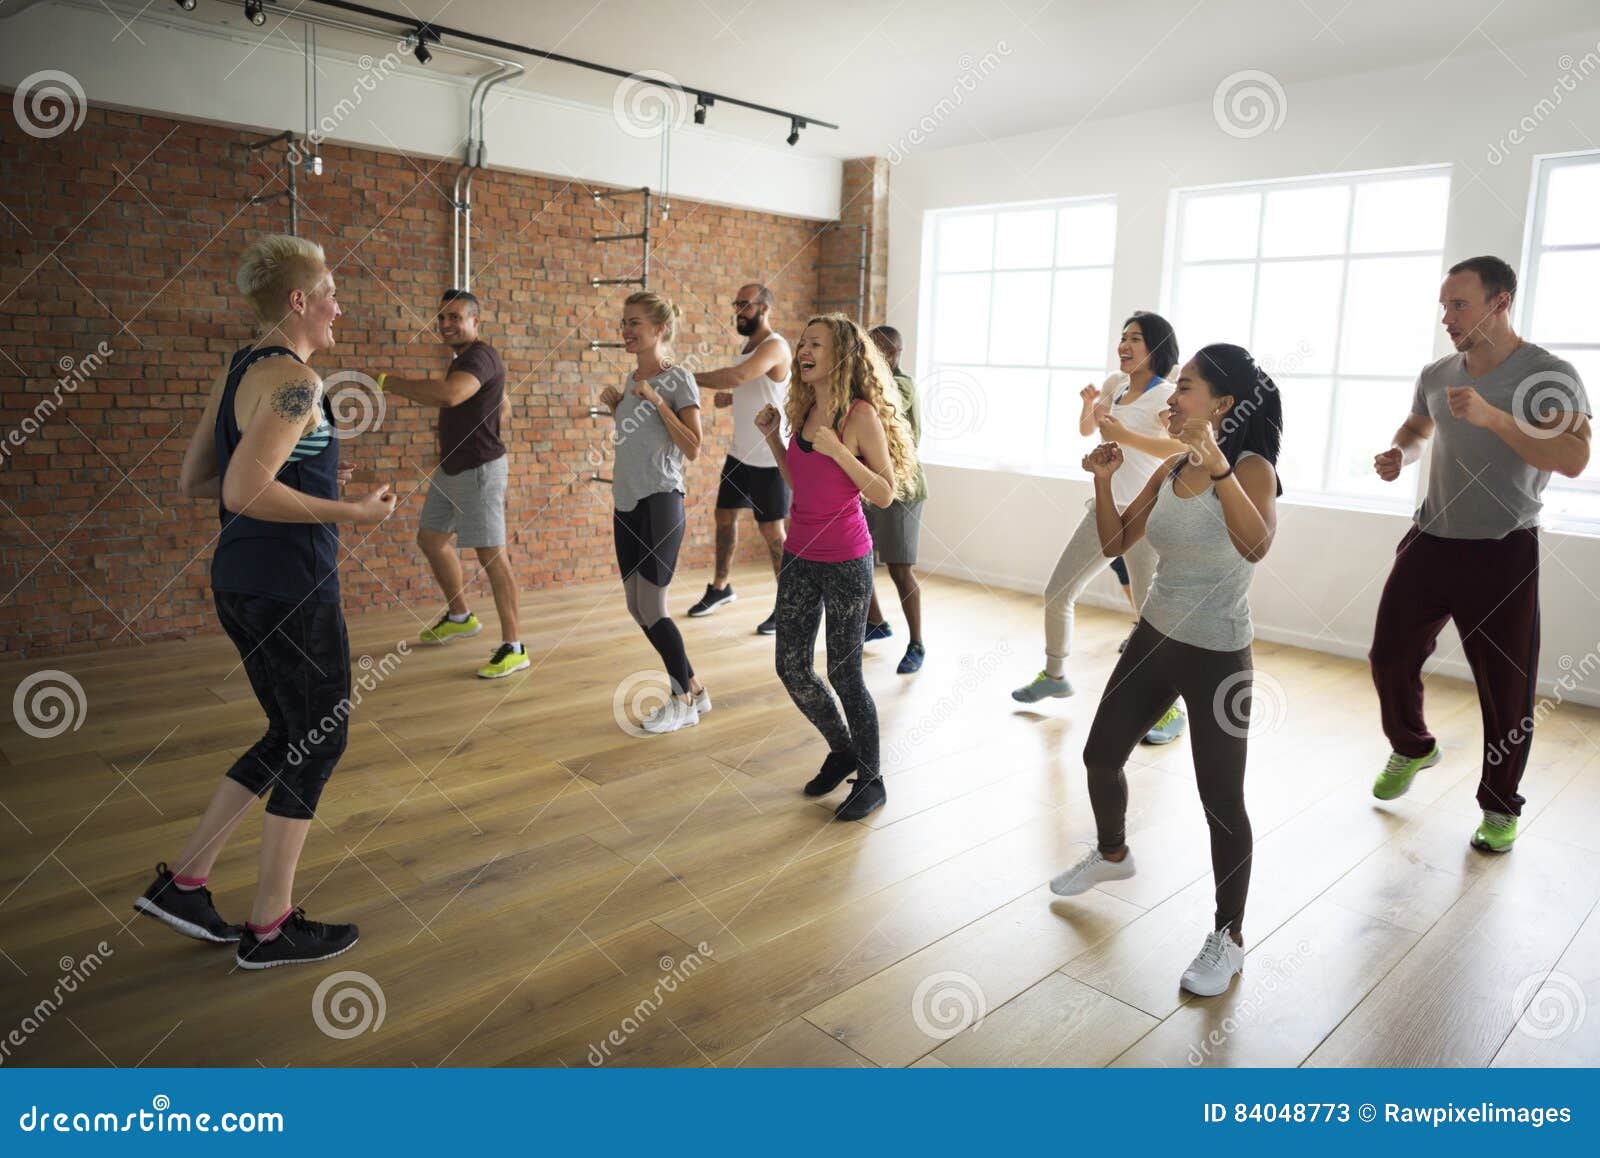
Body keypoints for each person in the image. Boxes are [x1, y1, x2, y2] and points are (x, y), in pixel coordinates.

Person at [135, 234, 397, 969]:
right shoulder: (296, 383)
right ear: (299, 301)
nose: (340, 306)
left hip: (242, 582)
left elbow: (196, 477)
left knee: (290, 731)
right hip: (290, 586)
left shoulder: (242, 369)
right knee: (319, 737)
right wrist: (352, 512)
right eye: (332, 292)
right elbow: (241, 490)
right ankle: (270, 927)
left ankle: (185, 883)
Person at [1049, 343, 1282, 998]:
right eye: (1176, 387)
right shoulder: (1173, 465)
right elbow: (1118, 540)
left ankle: (1228, 937)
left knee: (1221, 800)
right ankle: (1114, 853)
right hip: (1155, 636)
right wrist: (1101, 480)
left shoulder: (1254, 468)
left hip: (1219, 651)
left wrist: (1220, 470)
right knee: (1099, 755)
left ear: (1224, 404)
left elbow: (1256, 544)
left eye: (1186, 388)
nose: (1172, 399)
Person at [1369, 255, 1591, 853]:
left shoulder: (1548, 373)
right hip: (1431, 537)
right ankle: (1414, 746)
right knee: (1389, 655)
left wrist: (1495, 418)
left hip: (1502, 549)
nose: (1447, 316)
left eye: (1458, 304)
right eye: (1444, 305)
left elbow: (1573, 458)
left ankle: (1499, 807)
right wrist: (1399, 456)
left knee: (1505, 691)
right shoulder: (1438, 372)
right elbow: (1417, 431)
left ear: (1500, 301)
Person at [754, 314, 918, 822]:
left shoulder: (860, 415)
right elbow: (801, 482)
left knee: (845, 673)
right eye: (802, 342)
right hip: (800, 555)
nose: (803, 350)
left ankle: (871, 780)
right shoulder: (804, 410)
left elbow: (885, 493)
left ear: (841, 355)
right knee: (791, 666)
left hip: (847, 558)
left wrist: (840, 451)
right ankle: (842, 748)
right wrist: (775, 441)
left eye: (815, 344)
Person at [1013, 312, 1190, 746]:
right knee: (1058, 592)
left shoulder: (1167, 395)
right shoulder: (1115, 383)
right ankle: (1055, 674)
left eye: (1136, 338)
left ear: (1157, 348)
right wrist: (1090, 405)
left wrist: (1126, 437)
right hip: (1106, 506)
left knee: (1150, 618)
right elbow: (1088, 428)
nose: (1125, 344)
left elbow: (1180, 446)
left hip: (1146, 513)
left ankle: (1171, 707)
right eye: (1123, 337)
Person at [378, 289, 525, 678]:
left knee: (492, 555)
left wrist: (387, 380)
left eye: (455, 317)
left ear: (476, 321)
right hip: (452, 467)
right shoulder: (467, 360)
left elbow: (449, 396)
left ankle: (515, 646)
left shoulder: (479, 355)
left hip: (479, 470)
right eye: (441, 318)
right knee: (430, 539)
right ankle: (460, 616)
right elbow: (503, 406)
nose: (445, 325)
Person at [599, 290, 710, 734]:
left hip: (661, 500)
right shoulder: (630, 381)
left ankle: (680, 701)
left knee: (655, 607)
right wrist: (617, 407)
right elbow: (640, 442)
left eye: (635, 323)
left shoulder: (677, 378)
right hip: (625, 500)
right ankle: (696, 689)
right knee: (636, 607)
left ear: (659, 329)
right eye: (624, 323)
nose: (626, 330)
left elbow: (694, 447)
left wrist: (658, 401)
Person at [685, 283, 792, 635]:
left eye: (745, 305)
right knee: (724, 517)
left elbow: (740, 375)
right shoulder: (747, 346)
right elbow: (761, 386)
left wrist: (687, 377)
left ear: (764, 307)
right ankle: (721, 588)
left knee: (772, 532)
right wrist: (733, 400)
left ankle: (788, 606)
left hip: (771, 456)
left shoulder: (774, 345)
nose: (738, 311)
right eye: (736, 304)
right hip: (740, 453)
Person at [861, 325, 929, 674]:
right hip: (871, 484)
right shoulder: (866, 386)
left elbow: (878, 406)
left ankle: (917, 644)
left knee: (901, 571)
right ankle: (874, 622)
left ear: (890, 354)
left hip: (903, 489)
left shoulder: (900, 387)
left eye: (870, 349)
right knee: (858, 557)